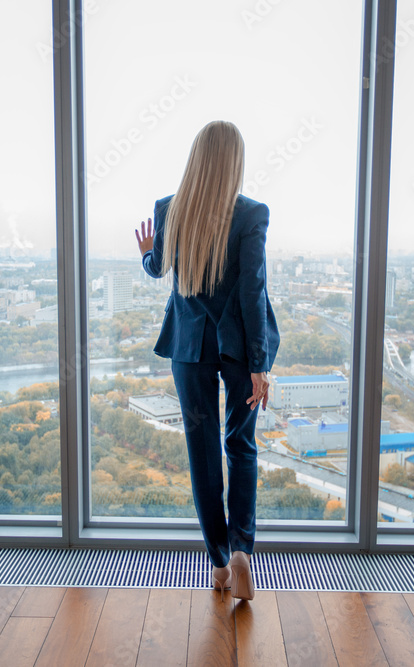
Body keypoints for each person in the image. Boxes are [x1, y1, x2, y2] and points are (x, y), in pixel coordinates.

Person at [134, 120, 280, 601]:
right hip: (238, 349)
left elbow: (160, 269)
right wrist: (259, 363)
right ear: (235, 161)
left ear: (197, 157)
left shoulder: (169, 208)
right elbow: (252, 290)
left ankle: (218, 560)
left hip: (190, 348)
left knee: (202, 452)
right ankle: (241, 549)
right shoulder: (252, 214)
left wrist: (147, 253)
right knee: (241, 445)